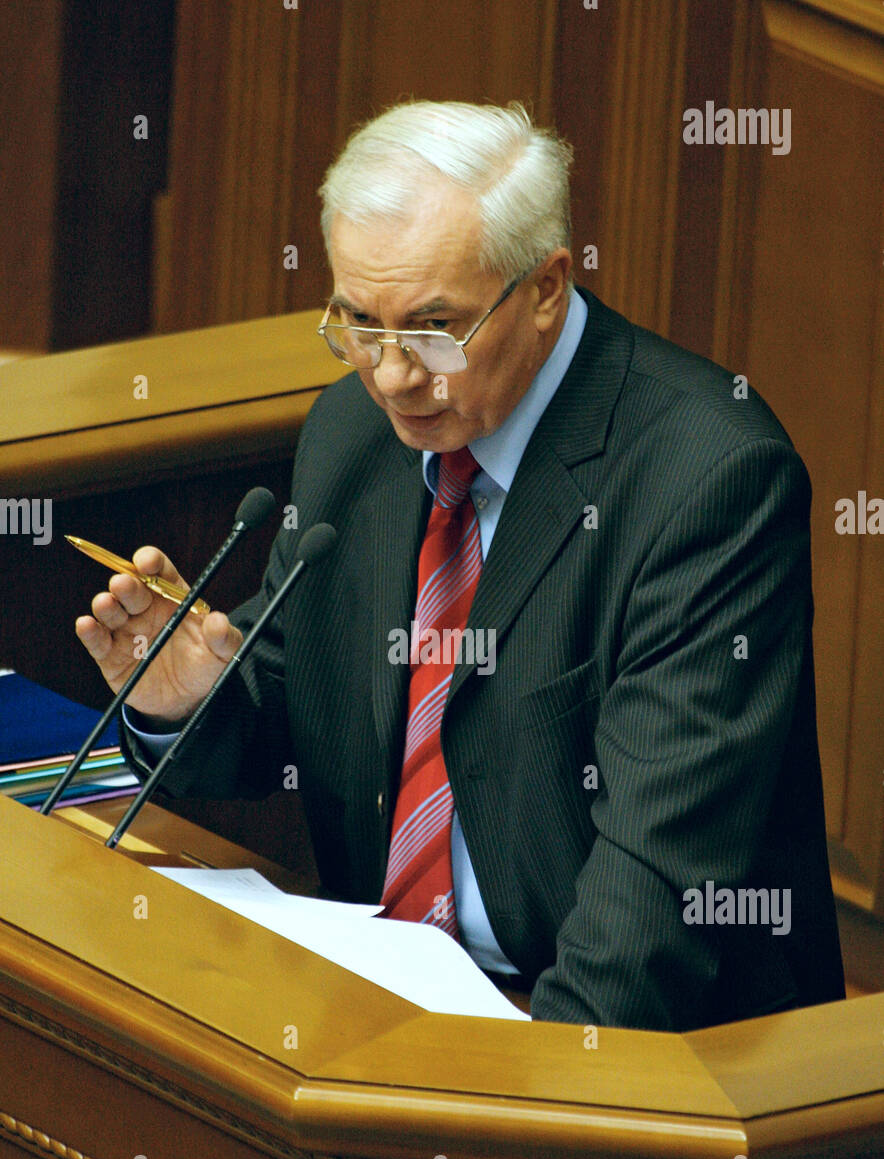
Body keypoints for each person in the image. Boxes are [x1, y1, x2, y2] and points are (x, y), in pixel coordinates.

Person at [75, 100, 844, 1029]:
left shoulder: (707, 482)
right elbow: (289, 718)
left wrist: (502, 1108)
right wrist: (187, 697)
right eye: (360, 321)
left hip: (630, 1059)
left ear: (548, 287)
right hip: (393, 1003)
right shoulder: (355, 436)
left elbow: (656, 898)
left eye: (433, 327)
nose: (393, 374)